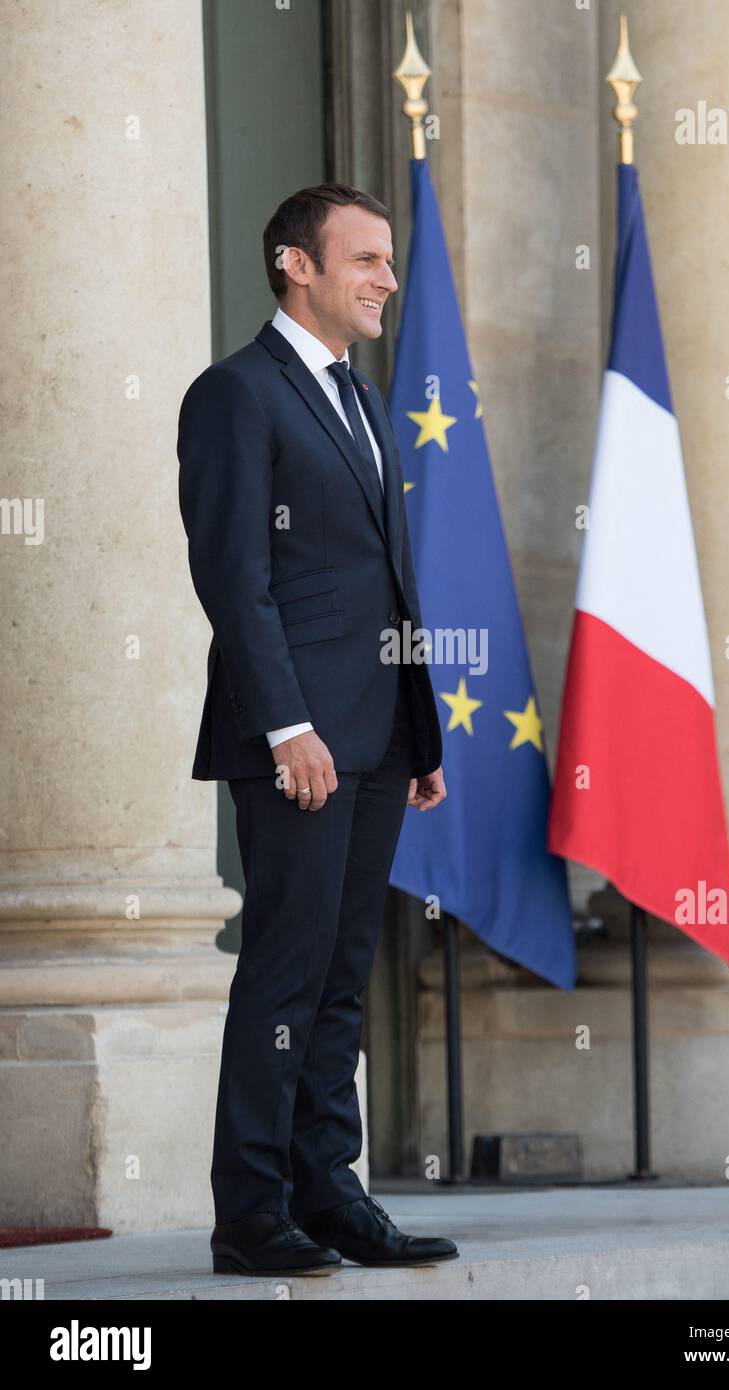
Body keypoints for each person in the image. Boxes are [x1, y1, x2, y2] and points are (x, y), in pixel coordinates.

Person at [177, 183, 458, 1276]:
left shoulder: (367, 400)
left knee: (341, 974)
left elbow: (382, 580)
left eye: (389, 261)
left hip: (377, 735)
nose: (386, 279)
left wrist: (416, 733)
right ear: (298, 265)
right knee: (283, 974)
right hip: (294, 737)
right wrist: (289, 723)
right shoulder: (235, 395)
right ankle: (249, 1211)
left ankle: (326, 1194)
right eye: (368, 259)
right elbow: (234, 578)